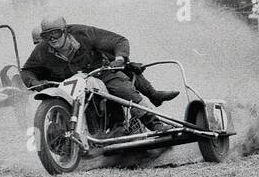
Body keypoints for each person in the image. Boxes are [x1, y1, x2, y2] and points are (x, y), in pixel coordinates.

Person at [20, 14, 178, 125]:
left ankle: (154, 123)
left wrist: (119, 59)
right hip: (70, 86)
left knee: (122, 88)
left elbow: (119, 41)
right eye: (47, 35)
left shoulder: (84, 34)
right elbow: (26, 71)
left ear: (66, 30)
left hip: (100, 72)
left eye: (56, 33)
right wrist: (35, 82)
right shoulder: (41, 49)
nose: (52, 39)